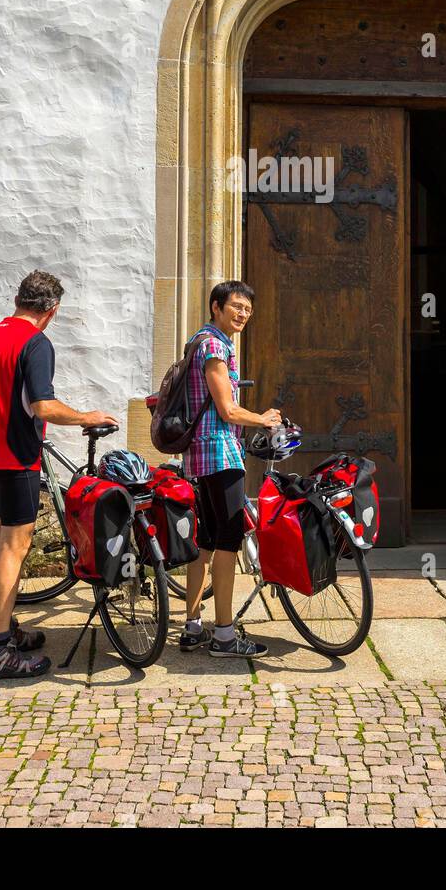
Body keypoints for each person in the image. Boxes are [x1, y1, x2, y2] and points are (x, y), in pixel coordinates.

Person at [0, 270, 117, 681]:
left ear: (18, 300)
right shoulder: (36, 342)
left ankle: (3, 629)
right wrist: (87, 416)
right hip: (16, 453)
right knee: (14, 546)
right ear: (52, 311)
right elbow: (44, 407)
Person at [179, 280, 281, 658]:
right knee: (228, 540)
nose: (242, 314)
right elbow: (228, 410)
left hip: (200, 457)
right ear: (215, 306)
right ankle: (224, 635)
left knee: (204, 542)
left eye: (247, 310)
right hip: (220, 456)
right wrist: (264, 419)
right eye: (236, 306)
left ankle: (193, 627)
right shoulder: (213, 346)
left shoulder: (198, 340)